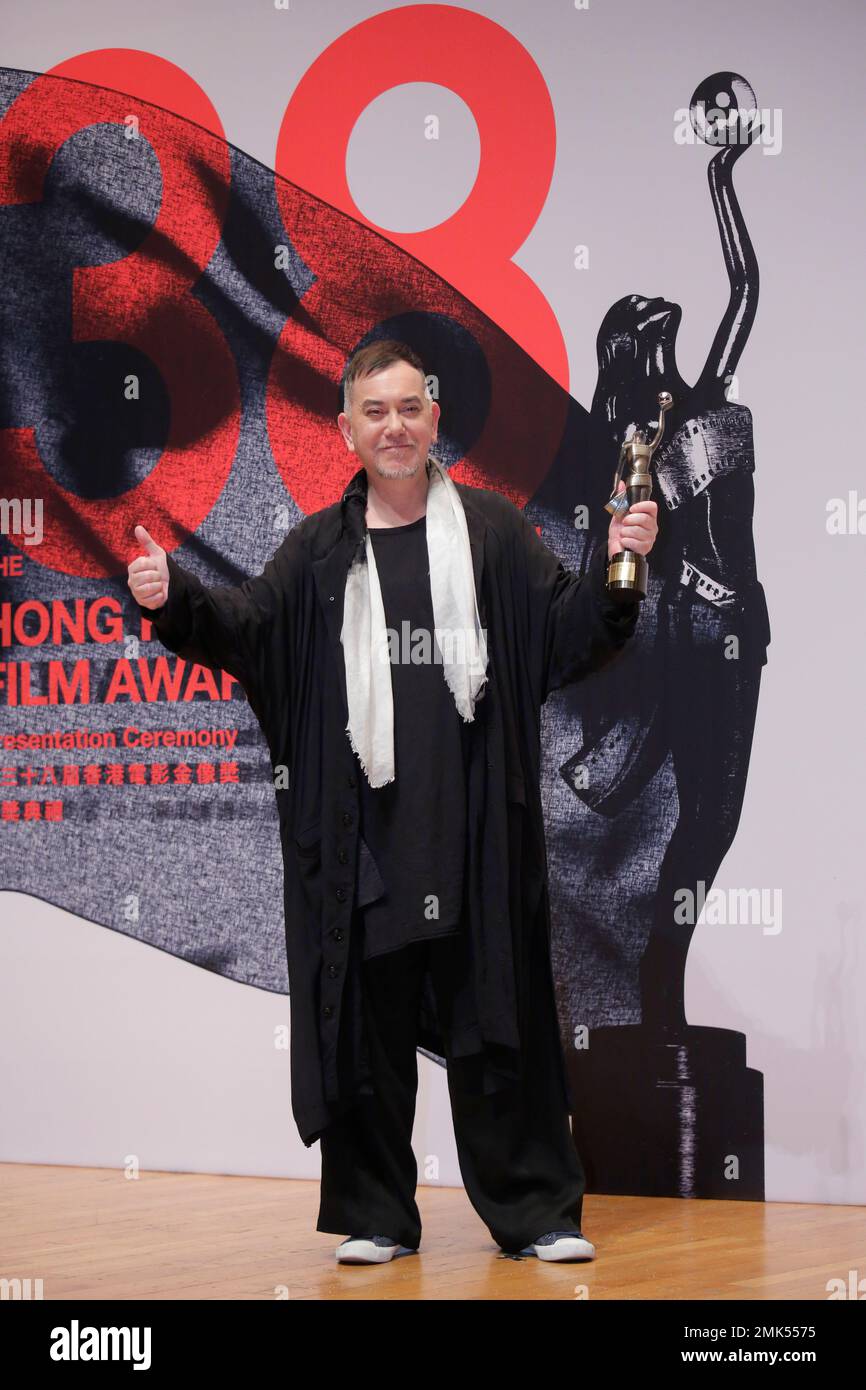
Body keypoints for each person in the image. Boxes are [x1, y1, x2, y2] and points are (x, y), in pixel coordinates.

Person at [128, 340, 658, 1265]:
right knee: (366, 1038)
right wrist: (174, 599)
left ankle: (536, 1212)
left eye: (409, 407)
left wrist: (621, 566)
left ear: (433, 419)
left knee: (498, 1029)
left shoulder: (492, 533)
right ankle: (377, 1214)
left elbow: (570, 633)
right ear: (346, 429)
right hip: (367, 846)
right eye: (374, 412)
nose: (394, 426)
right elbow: (246, 630)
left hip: (471, 836)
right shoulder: (319, 551)